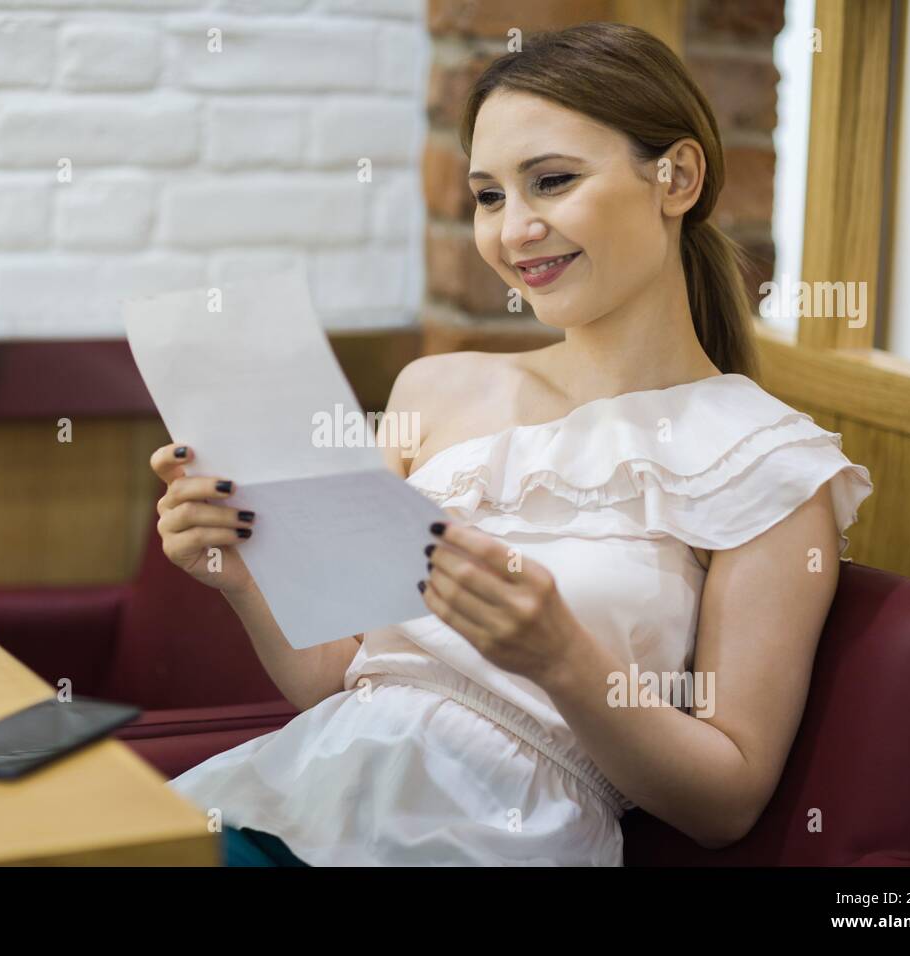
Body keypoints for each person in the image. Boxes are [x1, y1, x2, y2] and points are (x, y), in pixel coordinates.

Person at [153, 22, 873, 866]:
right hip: (291, 800)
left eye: (552, 182)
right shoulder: (435, 390)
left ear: (676, 177)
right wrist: (241, 578)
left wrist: (562, 658)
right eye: (490, 196)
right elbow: (335, 682)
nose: (514, 230)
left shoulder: (768, 464)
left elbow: (728, 801)